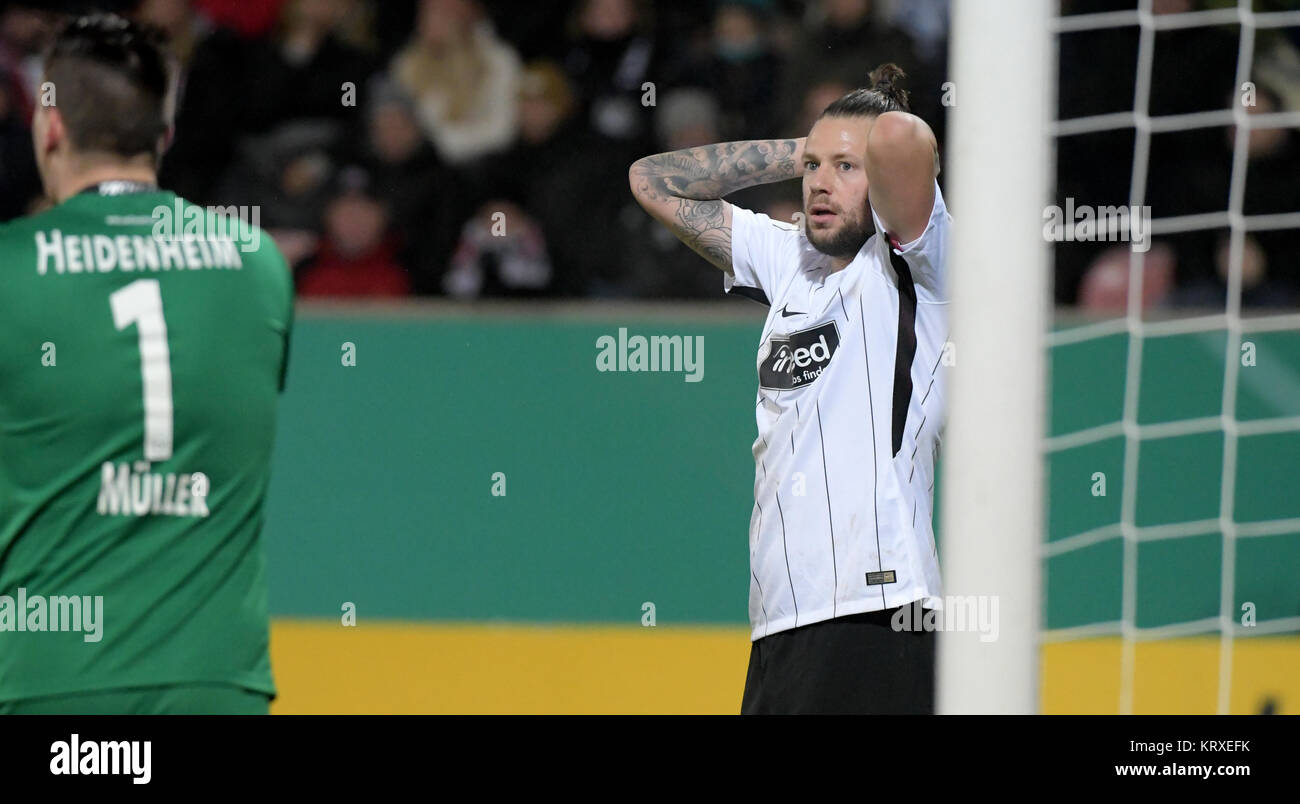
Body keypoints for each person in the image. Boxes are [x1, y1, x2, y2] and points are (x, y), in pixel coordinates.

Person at [629, 64, 949, 714]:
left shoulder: (916, 261)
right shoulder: (790, 260)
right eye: (813, 169)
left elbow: (907, 148)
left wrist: (876, 122)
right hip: (783, 622)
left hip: (878, 613)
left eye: (846, 168)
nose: (821, 184)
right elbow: (651, 181)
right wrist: (805, 151)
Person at [0, 13, 293, 714]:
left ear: (51, 130)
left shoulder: (11, 271)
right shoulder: (258, 265)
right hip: (216, 685)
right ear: (163, 136)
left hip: (55, 688)